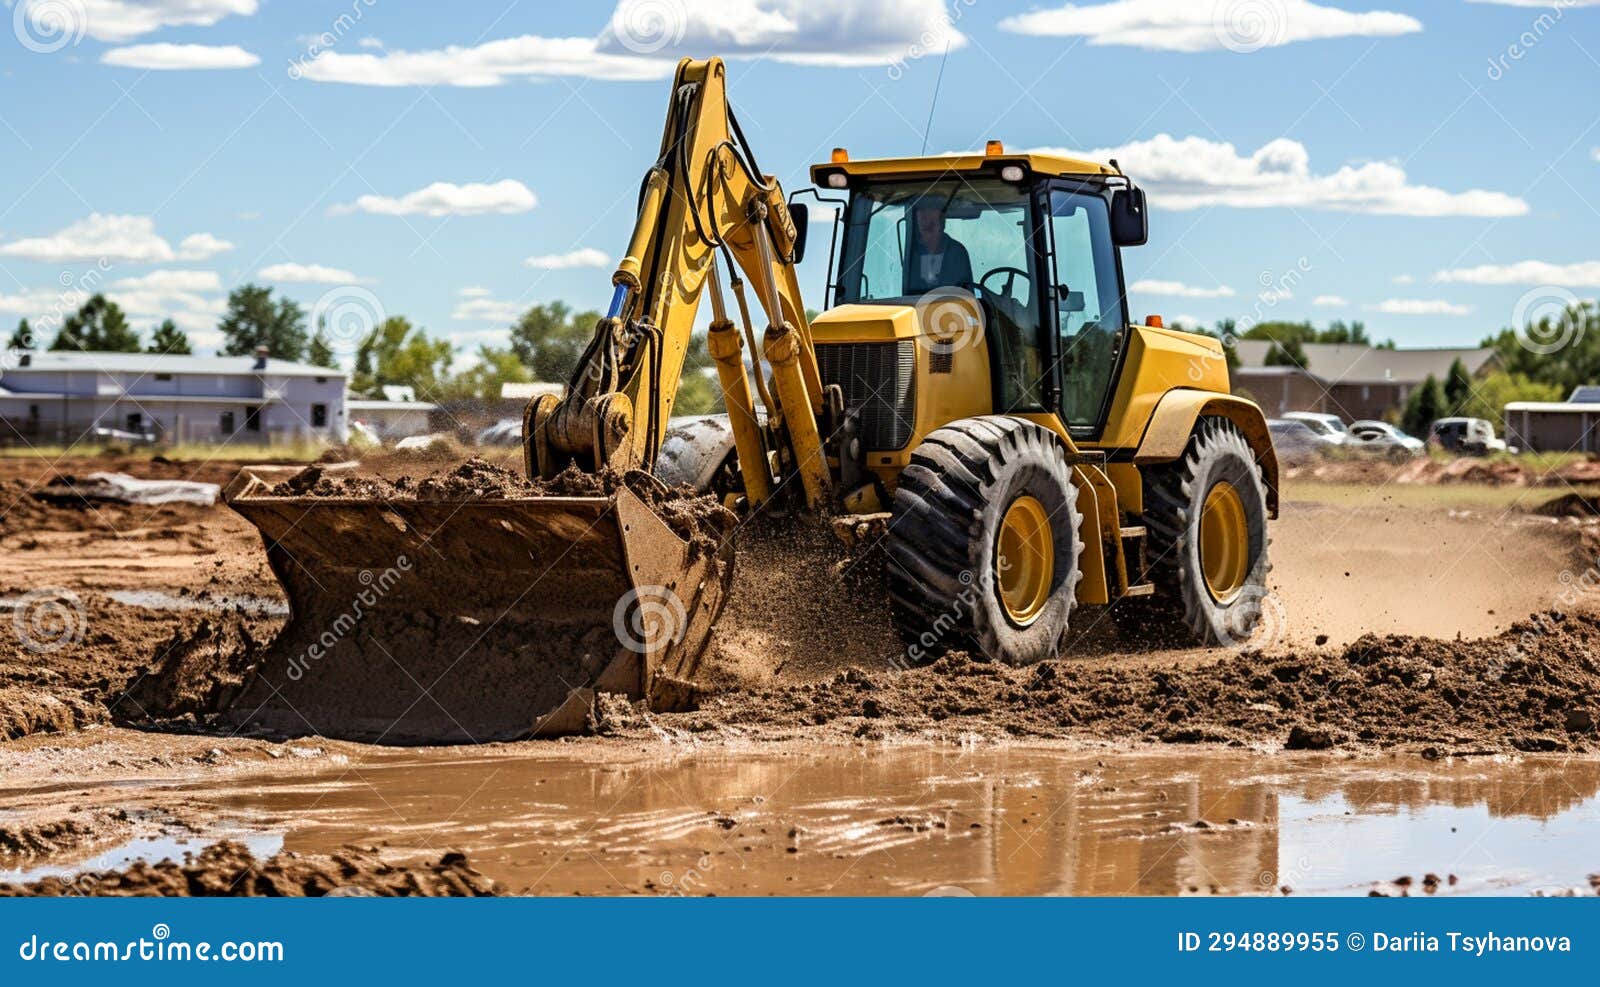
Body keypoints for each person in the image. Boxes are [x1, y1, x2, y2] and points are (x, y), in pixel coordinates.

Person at [904, 197, 973, 294]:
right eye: (923, 219)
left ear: (942, 223)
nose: (927, 224)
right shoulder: (910, 252)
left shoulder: (957, 252)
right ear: (915, 222)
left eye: (932, 220)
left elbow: (966, 295)